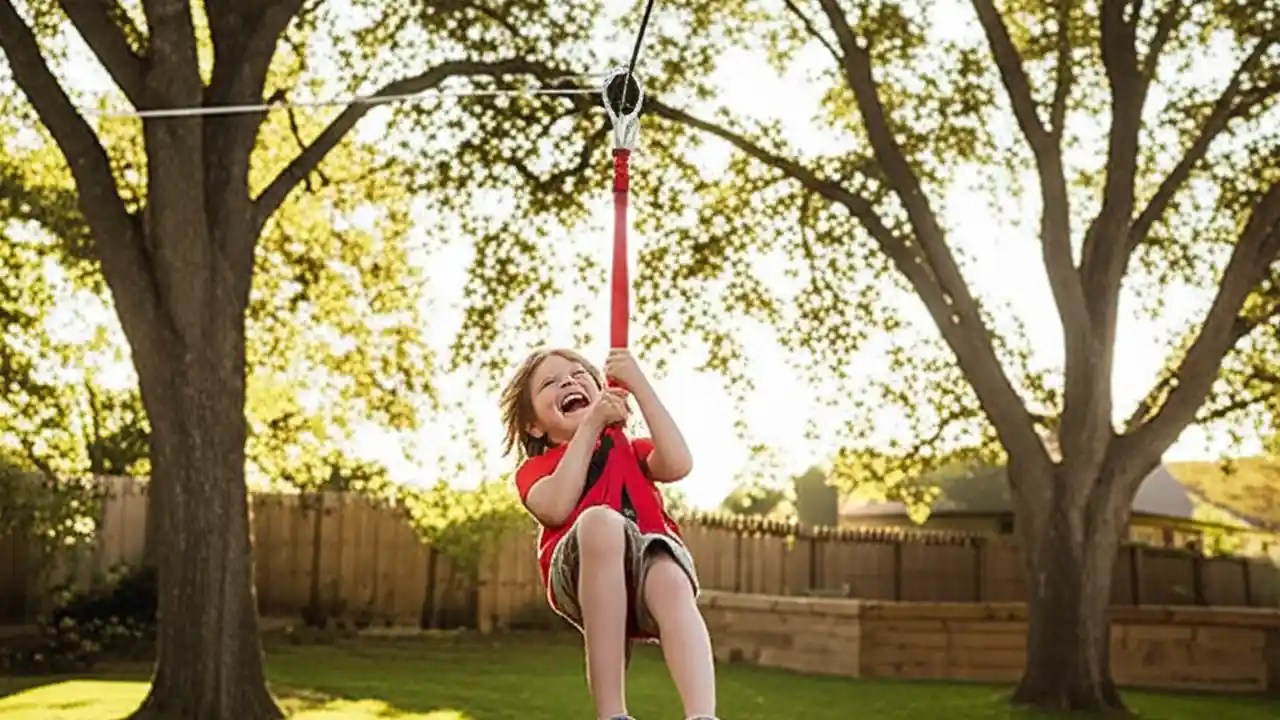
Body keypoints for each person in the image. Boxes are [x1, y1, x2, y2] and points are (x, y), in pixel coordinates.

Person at [500, 347, 718, 720]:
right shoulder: (536, 469)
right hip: (580, 569)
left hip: (645, 560)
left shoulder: (630, 450)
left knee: (670, 576)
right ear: (534, 426)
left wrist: (639, 385)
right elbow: (555, 507)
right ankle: (612, 714)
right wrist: (591, 425)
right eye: (550, 382)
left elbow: (678, 463)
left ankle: (702, 715)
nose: (568, 381)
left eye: (578, 374)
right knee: (600, 523)